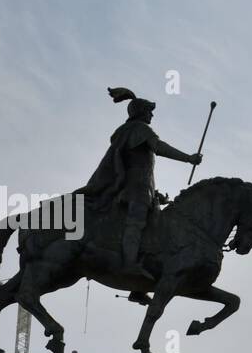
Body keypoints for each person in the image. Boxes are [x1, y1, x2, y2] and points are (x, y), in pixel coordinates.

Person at [79, 87, 203, 280]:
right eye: (149, 111)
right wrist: (188, 158)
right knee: (136, 223)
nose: (152, 114)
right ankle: (129, 265)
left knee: (151, 225)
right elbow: (159, 147)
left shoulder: (128, 131)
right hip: (136, 188)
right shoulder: (139, 129)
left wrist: (155, 193)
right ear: (141, 112)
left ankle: (141, 274)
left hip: (142, 187)